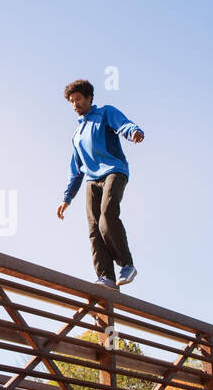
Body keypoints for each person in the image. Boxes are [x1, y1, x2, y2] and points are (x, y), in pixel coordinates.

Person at [55, 79, 145, 288]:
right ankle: (106, 277)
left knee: (107, 214)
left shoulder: (104, 113)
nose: (75, 104)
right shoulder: (76, 135)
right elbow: (75, 171)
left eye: (78, 99)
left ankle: (126, 265)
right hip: (91, 181)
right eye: (71, 101)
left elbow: (123, 124)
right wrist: (66, 199)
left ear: (89, 98)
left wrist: (133, 132)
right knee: (94, 229)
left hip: (114, 171)